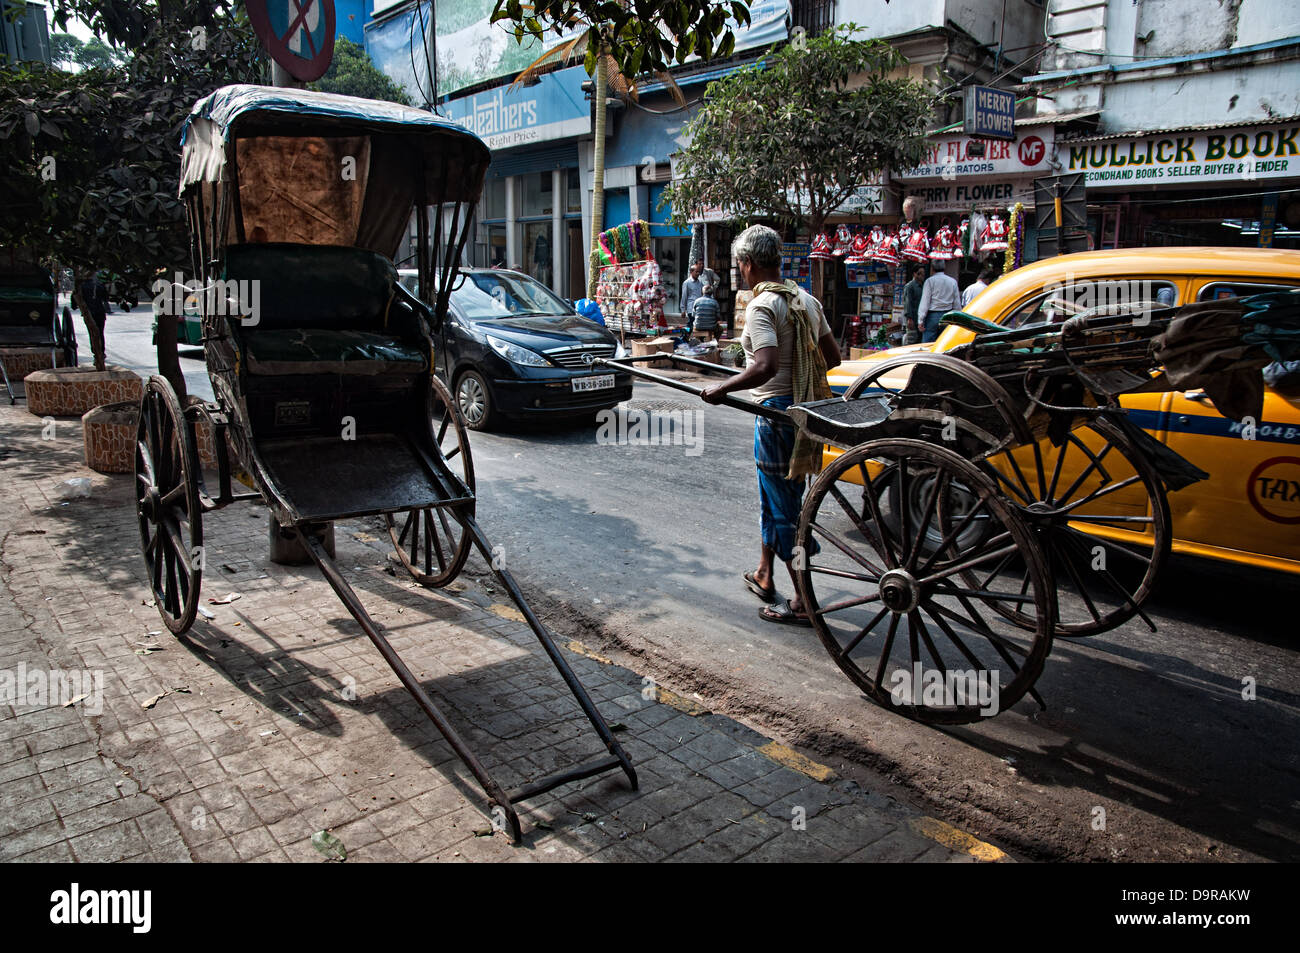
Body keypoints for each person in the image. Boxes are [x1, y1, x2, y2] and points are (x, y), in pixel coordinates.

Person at [700, 225, 841, 627]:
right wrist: (800, 375)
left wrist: (722, 389)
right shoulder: (806, 301)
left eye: (739, 264)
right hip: (804, 413)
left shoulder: (763, 307)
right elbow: (833, 357)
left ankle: (802, 600)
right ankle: (765, 573)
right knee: (775, 498)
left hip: (776, 416)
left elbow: (764, 366)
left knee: (784, 513)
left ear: (747, 265)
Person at [918, 263, 960, 343]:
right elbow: (956, 303)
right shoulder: (952, 281)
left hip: (932, 316)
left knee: (928, 344)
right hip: (948, 316)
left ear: (932, 268)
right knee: (945, 342)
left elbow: (925, 302)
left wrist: (920, 320)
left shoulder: (930, 281)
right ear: (944, 268)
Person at [901, 263, 926, 345]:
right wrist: (909, 318)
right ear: (914, 274)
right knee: (911, 340)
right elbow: (908, 303)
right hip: (913, 318)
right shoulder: (910, 286)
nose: (922, 276)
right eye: (919, 273)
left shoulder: (923, 286)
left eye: (923, 274)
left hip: (920, 318)